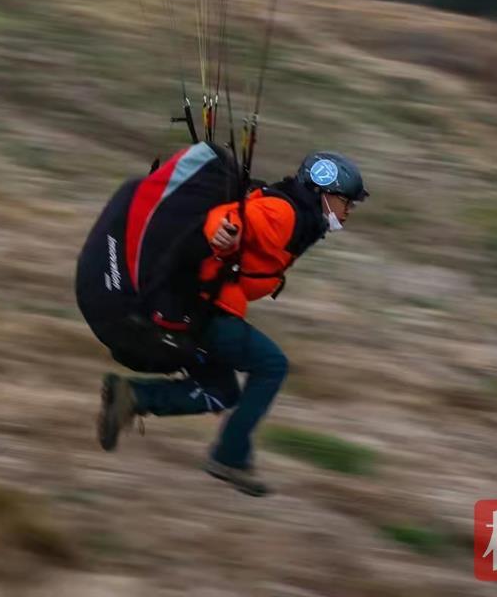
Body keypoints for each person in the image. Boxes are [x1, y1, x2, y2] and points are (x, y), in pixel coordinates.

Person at [92, 151, 367, 496]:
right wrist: (223, 235)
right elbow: (230, 219)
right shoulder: (286, 214)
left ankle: (131, 396)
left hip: (202, 302)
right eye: (347, 203)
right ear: (324, 194)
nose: (348, 213)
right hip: (202, 307)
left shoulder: (298, 217)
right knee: (271, 365)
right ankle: (230, 456)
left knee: (221, 391)